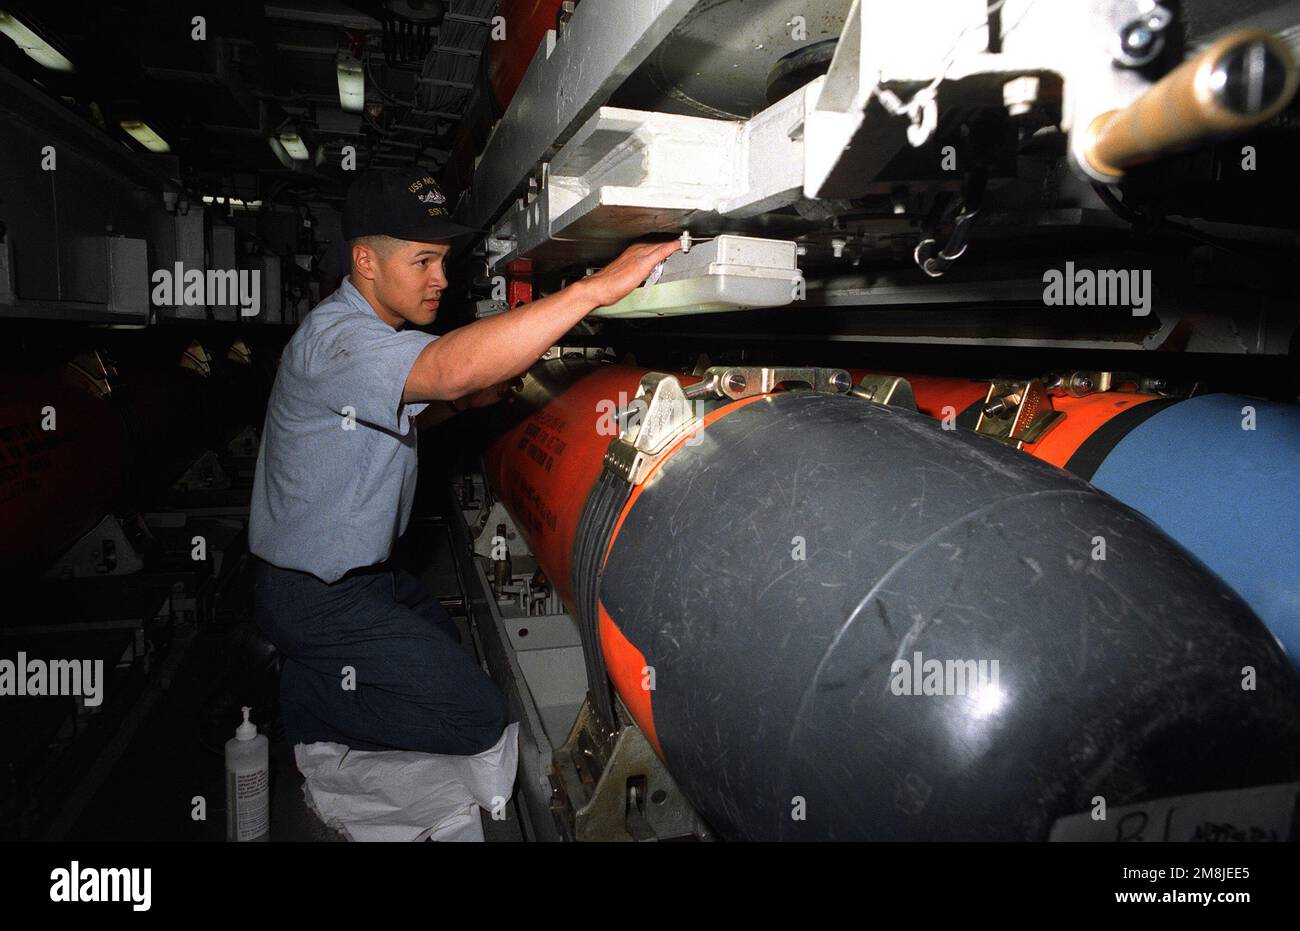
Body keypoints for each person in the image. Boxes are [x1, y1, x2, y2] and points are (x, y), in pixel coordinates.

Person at [249, 168, 679, 756]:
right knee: (477, 719)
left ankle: (324, 668)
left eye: (444, 262)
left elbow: (382, 422)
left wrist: (460, 406)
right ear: (366, 262)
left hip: (368, 578)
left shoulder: (364, 337)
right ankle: (302, 699)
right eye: (423, 262)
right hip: (317, 596)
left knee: (444, 639)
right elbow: (450, 366)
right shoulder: (339, 340)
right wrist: (594, 289)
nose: (441, 280)